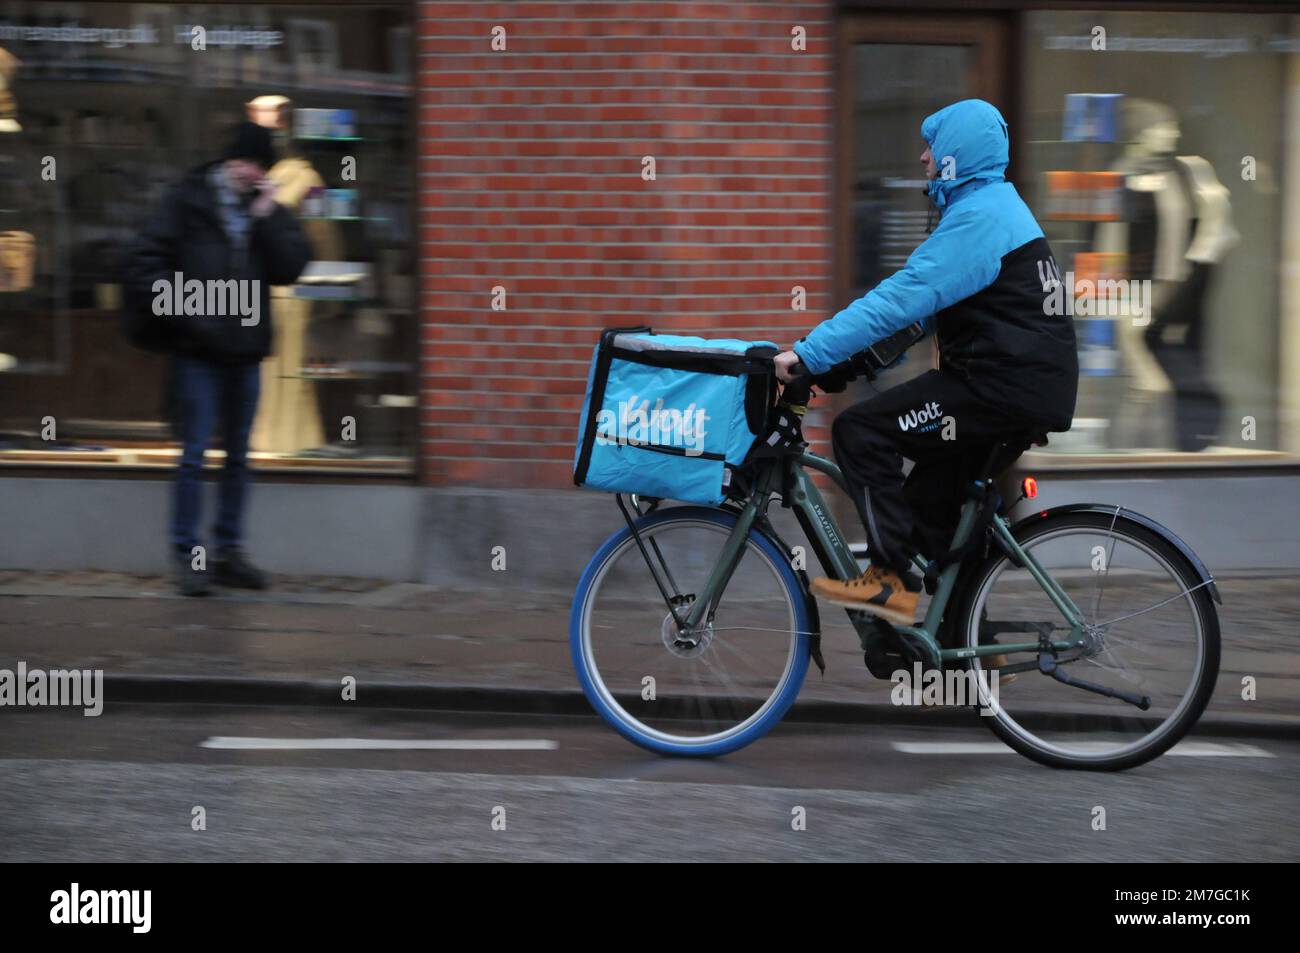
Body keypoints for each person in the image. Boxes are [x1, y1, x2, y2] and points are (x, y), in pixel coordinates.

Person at [775, 99, 1078, 625]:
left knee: (861, 432)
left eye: (932, 147)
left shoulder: (979, 219)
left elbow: (900, 299)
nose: (922, 158)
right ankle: (969, 649)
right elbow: (924, 318)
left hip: (997, 387)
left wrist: (807, 353)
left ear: (957, 156)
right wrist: (840, 367)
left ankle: (888, 584)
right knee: (925, 511)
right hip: (1017, 387)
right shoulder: (994, 209)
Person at [124, 121, 311, 596]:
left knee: (238, 459)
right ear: (232, 160)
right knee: (193, 456)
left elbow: (291, 266)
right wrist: (195, 314)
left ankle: (229, 553)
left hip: (245, 353)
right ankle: (190, 558)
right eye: (250, 164)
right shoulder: (187, 200)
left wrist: (269, 214)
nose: (254, 174)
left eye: (262, 168)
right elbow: (145, 263)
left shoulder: (262, 205)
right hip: (198, 351)